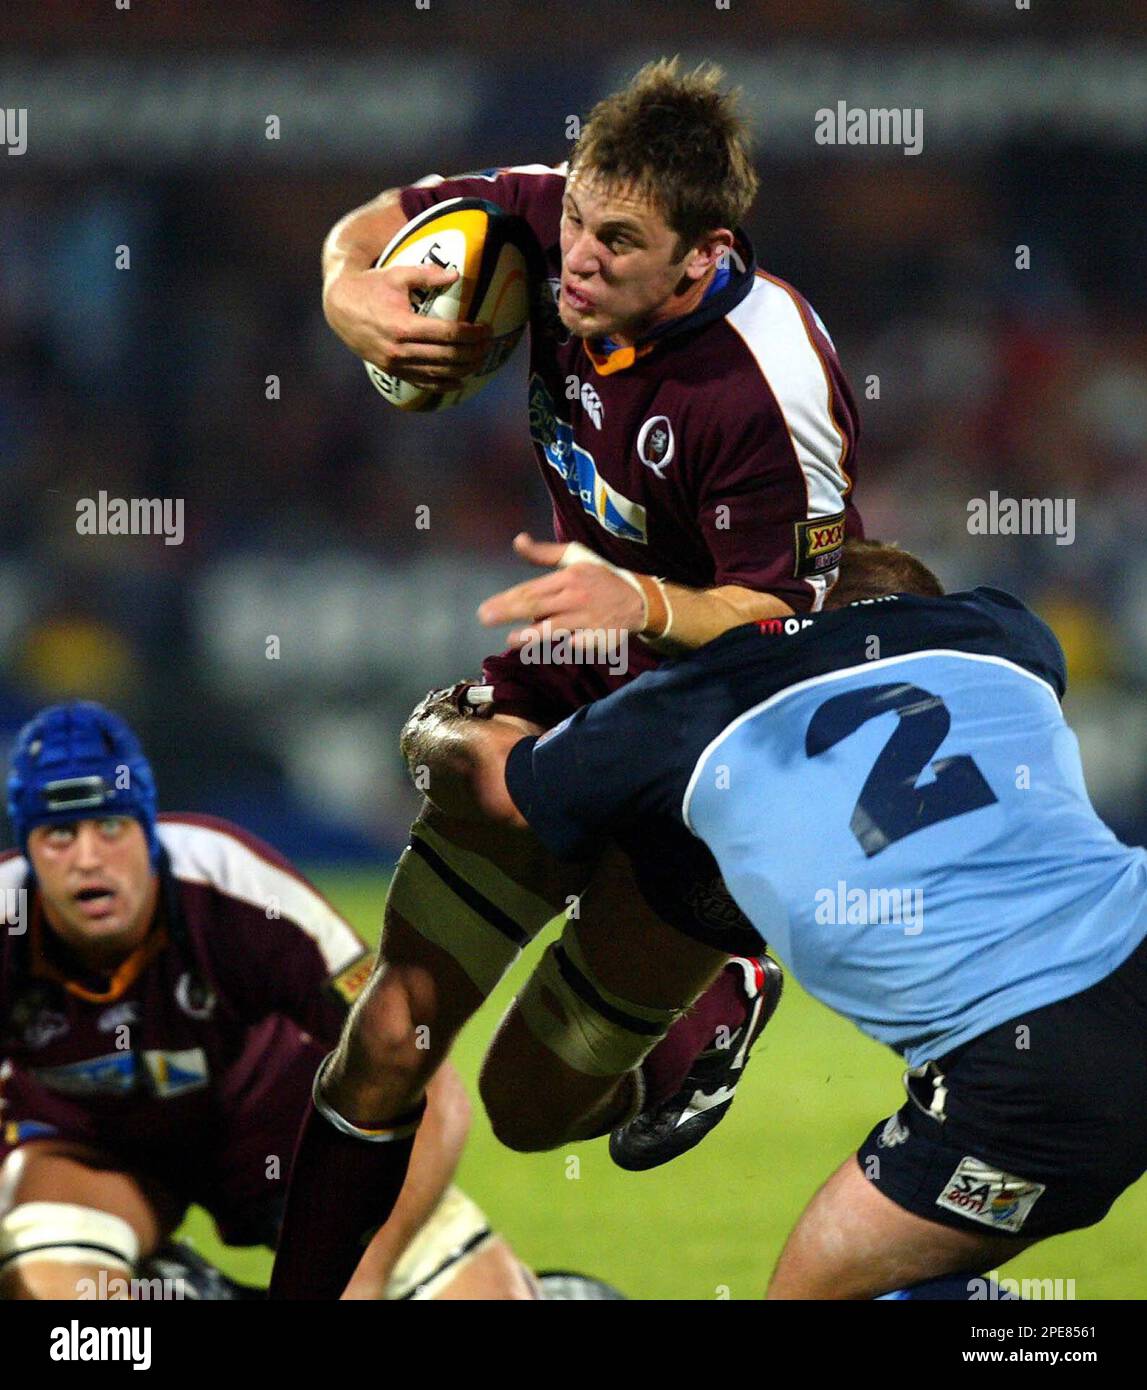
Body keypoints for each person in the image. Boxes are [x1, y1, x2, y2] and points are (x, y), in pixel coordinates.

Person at [272, 56, 858, 1299]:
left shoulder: (774, 380)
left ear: (701, 255)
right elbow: (380, 218)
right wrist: (350, 291)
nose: (575, 260)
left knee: (531, 1108)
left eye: (619, 242)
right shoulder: (546, 211)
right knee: (385, 1040)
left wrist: (644, 600)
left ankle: (720, 991)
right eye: (579, 219)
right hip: (575, 662)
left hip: (711, 732)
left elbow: (791, 629)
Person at [489, 540, 1147, 1298]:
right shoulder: (1006, 631)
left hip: (1038, 1060)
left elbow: (511, 791)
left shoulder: (701, 701)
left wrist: (451, 723)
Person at [0, 701, 537, 1301]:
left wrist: (356, 1286)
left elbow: (427, 1083)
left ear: (148, 831)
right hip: (97, 1160)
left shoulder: (237, 888)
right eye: (59, 835)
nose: (89, 859)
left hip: (281, 1138)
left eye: (111, 827)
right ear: (25, 848)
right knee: (62, 1316)